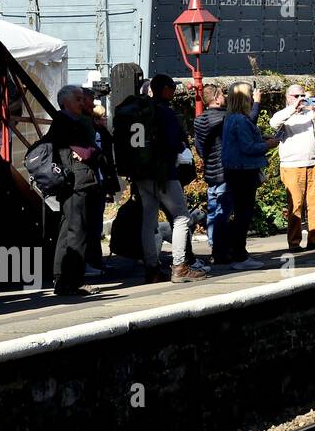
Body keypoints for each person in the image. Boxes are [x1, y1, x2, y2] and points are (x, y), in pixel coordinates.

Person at [131, 74, 204, 285]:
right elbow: (174, 143)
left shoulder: (138, 112)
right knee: (182, 217)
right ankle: (180, 267)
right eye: (172, 87)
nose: (174, 91)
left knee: (149, 220)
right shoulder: (165, 112)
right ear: (164, 89)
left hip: (140, 173)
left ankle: (152, 269)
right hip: (163, 172)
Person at [45, 85, 103, 297]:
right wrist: (94, 151)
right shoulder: (68, 122)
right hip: (76, 181)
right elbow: (85, 152)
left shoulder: (63, 122)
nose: (83, 103)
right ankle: (72, 280)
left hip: (70, 181)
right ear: (66, 103)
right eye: (78, 99)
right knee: (77, 231)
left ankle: (62, 279)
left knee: (67, 229)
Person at [221, 85, 278, 268]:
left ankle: (237, 252)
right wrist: (268, 144)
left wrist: (261, 139)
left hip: (233, 170)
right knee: (243, 214)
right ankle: (240, 255)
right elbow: (247, 147)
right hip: (244, 171)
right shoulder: (241, 120)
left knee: (239, 213)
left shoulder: (229, 118)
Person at [270, 84, 315, 251]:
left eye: (302, 95)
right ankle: (294, 242)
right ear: (288, 97)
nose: (300, 99)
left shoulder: (309, 114)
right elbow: (273, 123)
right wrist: (293, 108)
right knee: (296, 204)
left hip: (312, 162)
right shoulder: (285, 115)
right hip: (292, 165)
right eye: (296, 96)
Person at [194, 83, 235, 263]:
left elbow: (199, 146)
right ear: (217, 98)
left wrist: (207, 158)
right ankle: (220, 250)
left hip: (210, 170)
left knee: (212, 209)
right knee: (222, 212)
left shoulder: (199, 120)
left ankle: (213, 243)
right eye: (222, 94)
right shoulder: (227, 118)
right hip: (225, 170)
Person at [80, 85, 117, 274]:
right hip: (93, 179)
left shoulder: (96, 130)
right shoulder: (91, 130)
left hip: (98, 180)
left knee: (94, 224)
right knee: (91, 224)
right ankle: (91, 262)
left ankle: (95, 261)